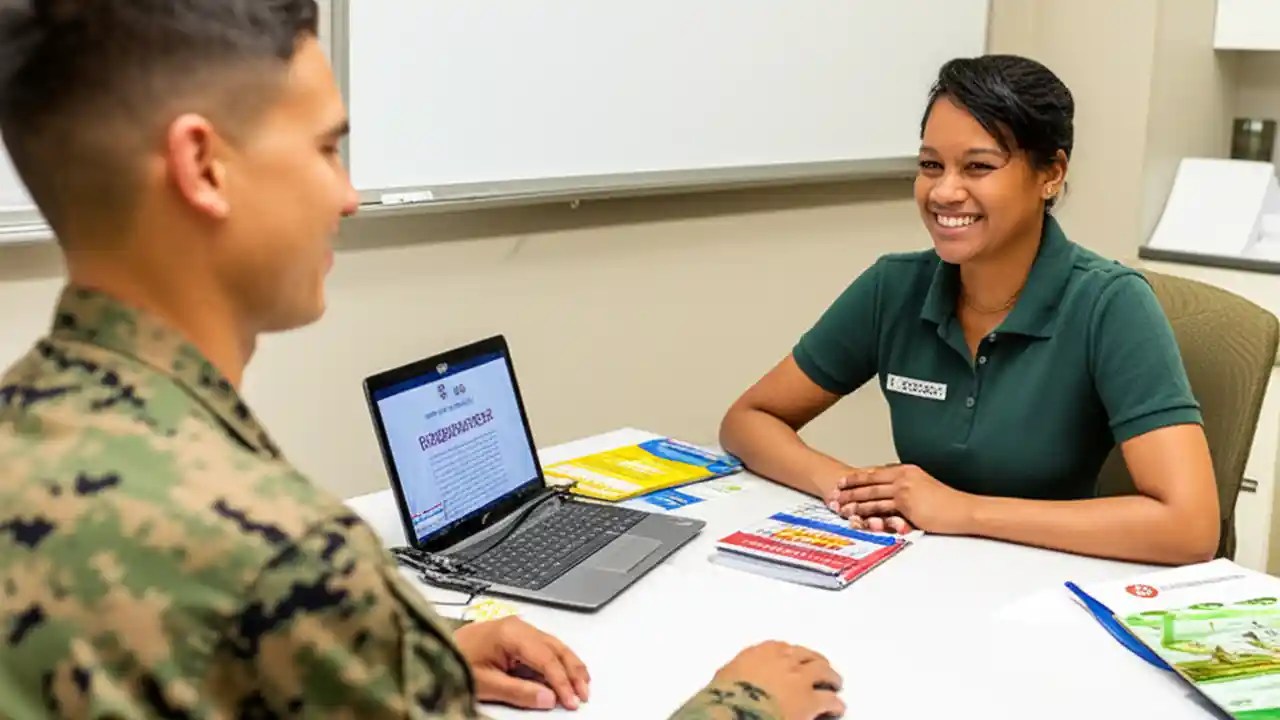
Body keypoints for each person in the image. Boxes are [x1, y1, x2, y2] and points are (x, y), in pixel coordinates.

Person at [0, 1, 845, 718]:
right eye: (327, 149)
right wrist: (739, 702)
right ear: (203, 166)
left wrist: (408, 653)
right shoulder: (287, 555)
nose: (349, 195)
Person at [719, 54, 1220, 567]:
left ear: (1051, 173)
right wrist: (852, 491)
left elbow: (1190, 526)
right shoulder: (894, 287)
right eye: (930, 164)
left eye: (978, 166)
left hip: (1047, 586)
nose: (943, 191)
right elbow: (749, 419)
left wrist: (963, 511)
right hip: (922, 572)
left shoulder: (1110, 303)